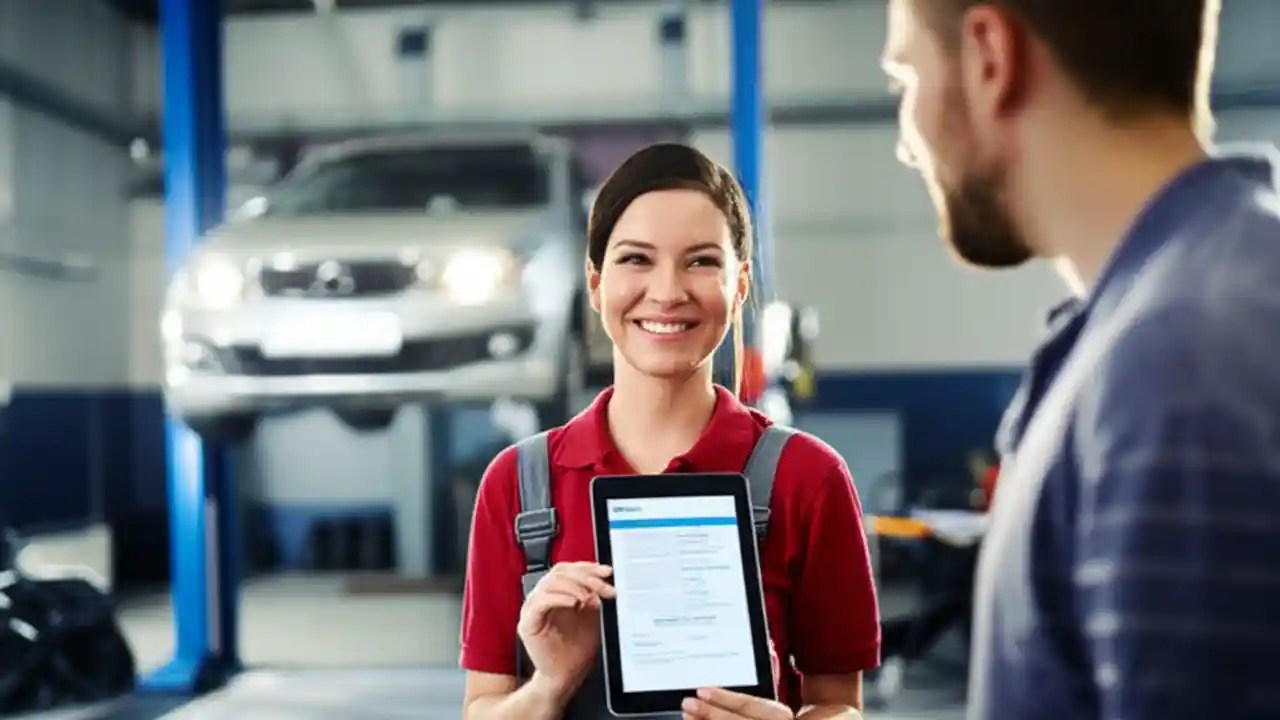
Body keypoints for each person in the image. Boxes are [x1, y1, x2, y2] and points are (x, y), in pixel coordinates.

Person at [881, 0, 1280, 718]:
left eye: (906, 76)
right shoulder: (1172, 320)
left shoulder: (1180, 361)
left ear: (989, 57)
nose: (907, 145)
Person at [458, 143, 881, 720]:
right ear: (595, 282)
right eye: (636, 259)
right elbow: (481, 707)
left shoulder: (807, 478)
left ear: (740, 286)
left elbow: (840, 706)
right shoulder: (517, 486)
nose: (667, 291)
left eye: (701, 261)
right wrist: (549, 686)